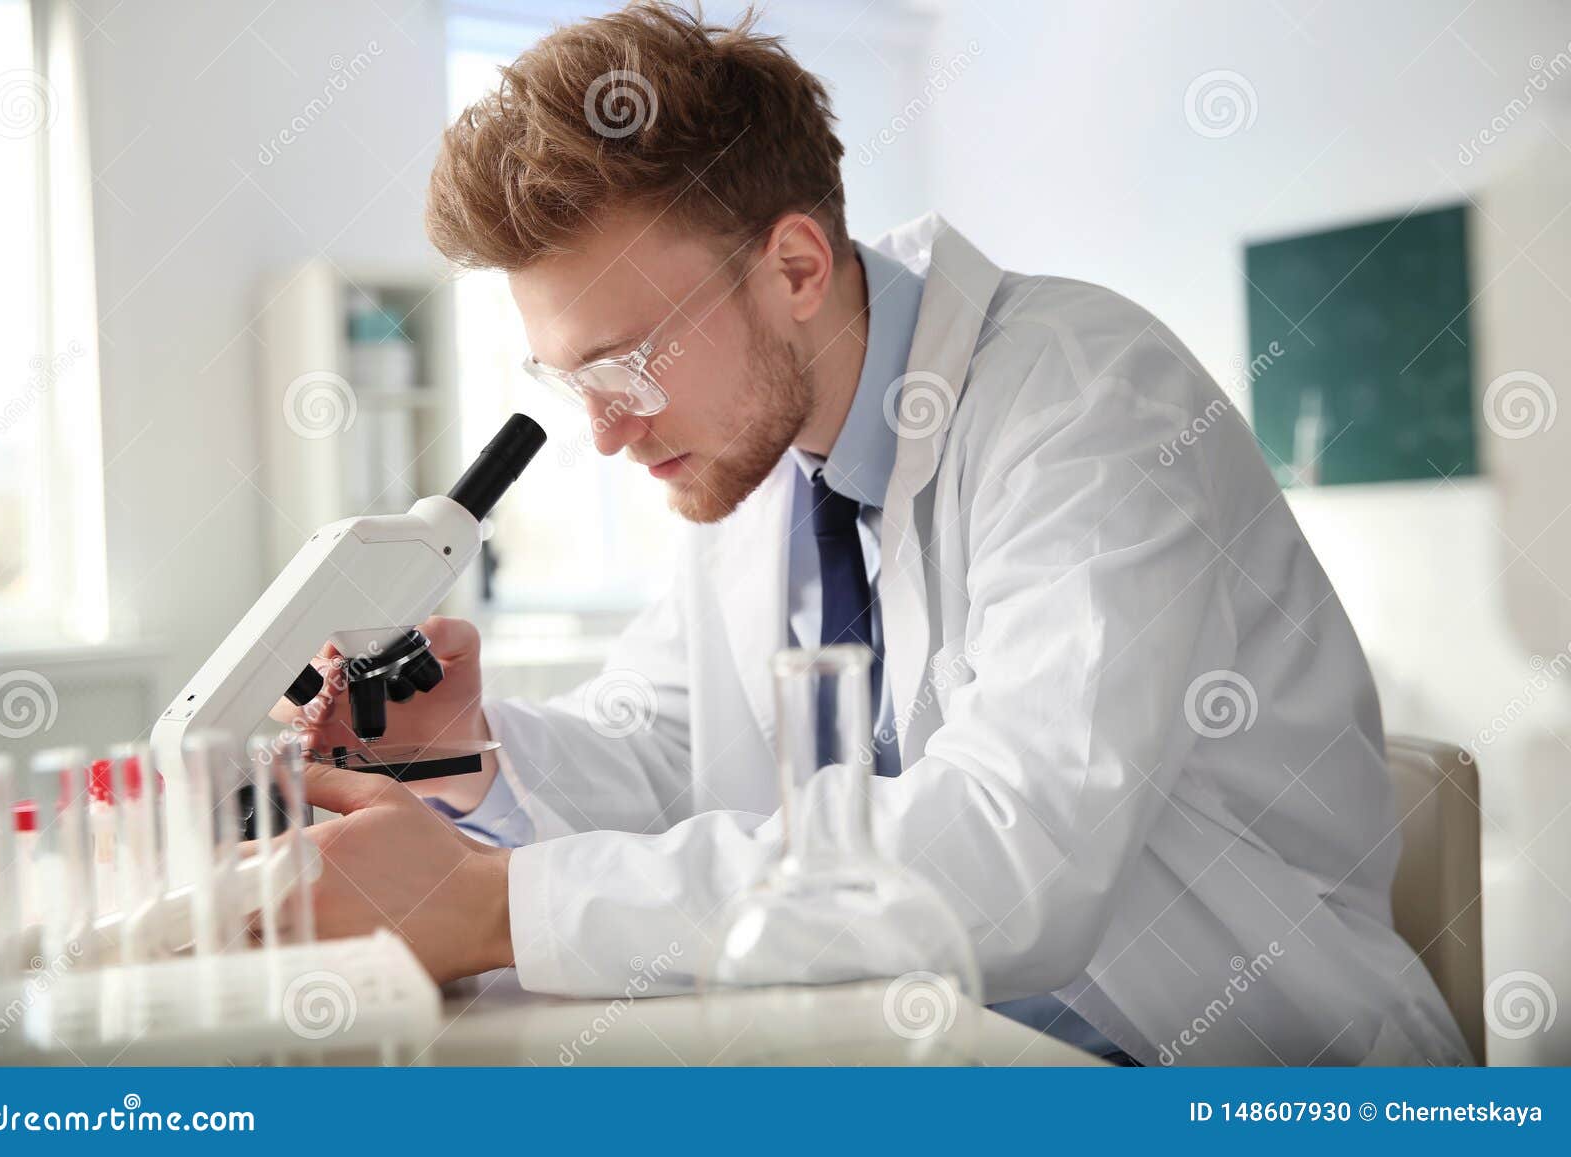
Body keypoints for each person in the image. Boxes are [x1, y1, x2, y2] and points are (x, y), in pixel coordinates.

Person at [274, 2, 1469, 1066]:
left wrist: (496, 904)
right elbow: (663, 745)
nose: (605, 432)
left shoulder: (1086, 402)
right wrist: (469, 745)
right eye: (568, 375)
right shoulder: (765, 463)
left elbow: (1017, 858)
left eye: (629, 363)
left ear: (794, 265)